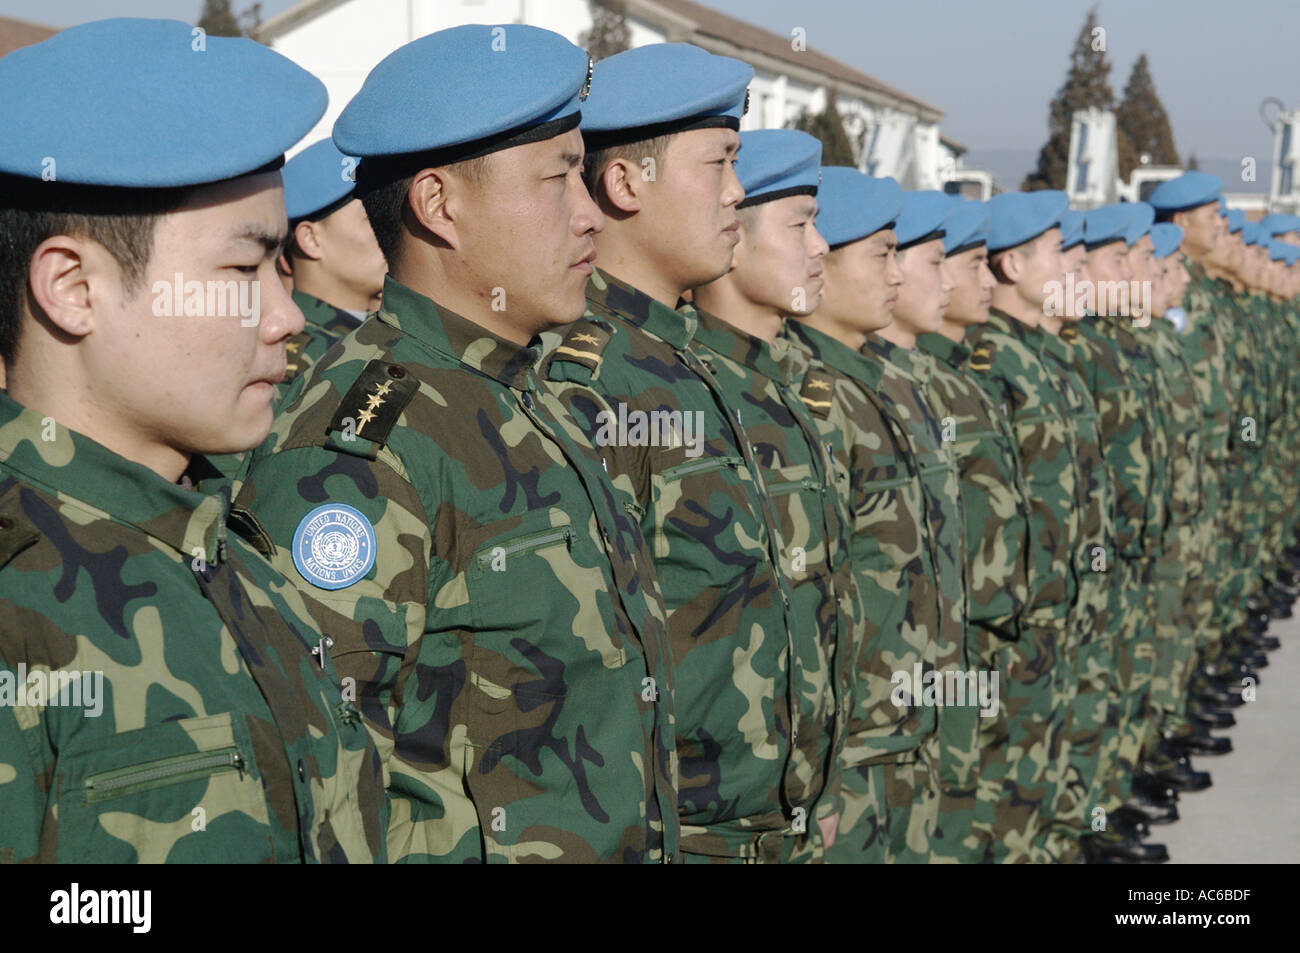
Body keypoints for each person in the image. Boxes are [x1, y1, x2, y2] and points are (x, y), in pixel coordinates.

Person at [234, 24, 679, 864]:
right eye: (557, 182)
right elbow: (326, 783)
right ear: (439, 205)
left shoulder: (529, 391)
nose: (590, 217)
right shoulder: (364, 444)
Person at [0, 17, 386, 863]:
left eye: (282, 271)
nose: (287, 318)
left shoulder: (226, 544)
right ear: (74, 288)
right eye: (242, 271)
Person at [684, 126, 850, 861]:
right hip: (708, 819)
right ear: (734, 238)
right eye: (801, 225)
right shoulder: (666, 396)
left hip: (799, 793)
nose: (821, 248)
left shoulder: (794, 385)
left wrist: (822, 784)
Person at [785, 168, 940, 862]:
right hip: (850, 742)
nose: (898, 277)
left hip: (902, 713)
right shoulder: (812, 398)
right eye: (881, 254)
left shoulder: (875, 380)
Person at [914, 197, 1036, 861]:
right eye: (961, 264)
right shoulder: (925, 383)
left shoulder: (959, 376)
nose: (985, 281)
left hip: (990, 627)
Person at [961, 191, 1081, 862]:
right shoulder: (988, 362)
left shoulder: (1037, 354)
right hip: (1011, 613)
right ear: (1013, 263)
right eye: (1058, 252)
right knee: (1003, 784)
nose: (1073, 267)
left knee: (1039, 763)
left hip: (1052, 596)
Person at [856, 190, 975, 861]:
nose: (960, 280)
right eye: (889, 256)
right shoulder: (830, 393)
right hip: (860, 736)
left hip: (928, 685)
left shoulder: (911, 382)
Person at [279, 137, 387, 389]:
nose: (389, 230)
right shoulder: (291, 364)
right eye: (371, 218)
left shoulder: (376, 333)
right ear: (311, 239)